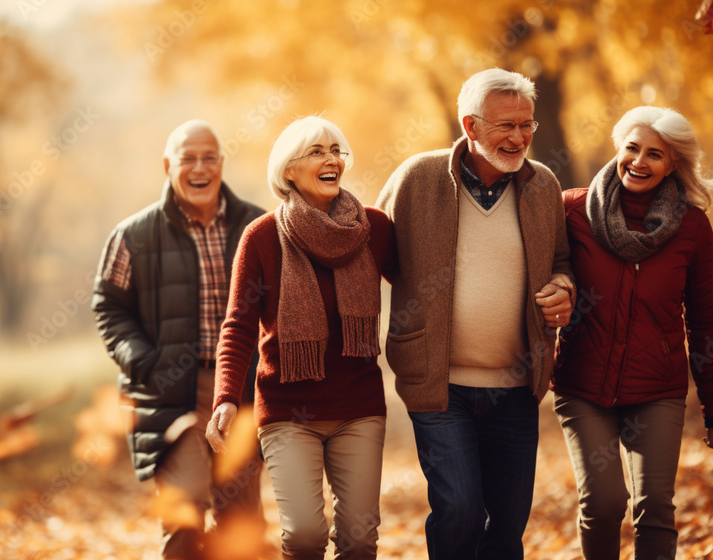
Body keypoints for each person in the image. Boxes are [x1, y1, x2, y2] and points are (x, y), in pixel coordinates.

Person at [375, 68, 575, 560]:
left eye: (527, 125)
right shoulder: (417, 179)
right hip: (438, 384)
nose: (519, 137)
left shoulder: (542, 185)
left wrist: (563, 286)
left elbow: (561, 261)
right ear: (470, 125)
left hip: (516, 386)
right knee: (460, 509)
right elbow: (375, 253)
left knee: (507, 526)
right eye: (506, 125)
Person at [206, 116, 396, 560]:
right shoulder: (261, 237)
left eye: (336, 151)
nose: (331, 160)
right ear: (288, 170)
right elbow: (237, 326)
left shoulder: (373, 228)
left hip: (359, 406)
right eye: (316, 152)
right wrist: (226, 398)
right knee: (305, 536)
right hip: (288, 410)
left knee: (359, 539)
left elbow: (419, 289)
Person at [552, 105, 713, 560]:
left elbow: (705, 318)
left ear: (673, 165)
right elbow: (541, 275)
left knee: (654, 509)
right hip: (583, 386)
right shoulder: (573, 210)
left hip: (657, 389)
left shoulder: (692, 227)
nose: (639, 161)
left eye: (655, 154)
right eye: (632, 148)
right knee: (604, 502)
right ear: (618, 149)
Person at [91, 119, 266, 560]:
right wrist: (143, 362)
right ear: (167, 166)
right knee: (184, 513)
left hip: (241, 391)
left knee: (241, 525)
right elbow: (109, 307)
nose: (200, 168)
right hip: (170, 394)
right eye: (188, 158)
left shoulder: (258, 226)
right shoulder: (133, 235)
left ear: (221, 164)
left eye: (209, 157)